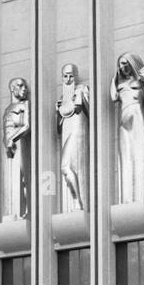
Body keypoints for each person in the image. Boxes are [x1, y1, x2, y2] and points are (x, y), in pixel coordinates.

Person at [109, 52, 144, 203]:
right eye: (120, 64)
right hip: (123, 120)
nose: (123, 67)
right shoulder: (120, 83)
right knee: (125, 159)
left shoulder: (140, 81)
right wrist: (114, 78)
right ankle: (126, 198)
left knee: (138, 155)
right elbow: (113, 97)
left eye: (126, 63)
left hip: (137, 115)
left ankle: (140, 196)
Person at [56, 62, 90, 211]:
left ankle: (78, 202)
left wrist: (81, 98)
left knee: (66, 166)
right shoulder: (63, 98)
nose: (68, 79)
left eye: (71, 76)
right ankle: (74, 201)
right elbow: (58, 127)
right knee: (66, 168)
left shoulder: (81, 89)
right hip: (66, 132)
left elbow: (89, 111)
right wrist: (58, 111)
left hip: (77, 131)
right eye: (65, 76)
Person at [1, 77, 30, 219]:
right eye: (20, 86)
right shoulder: (8, 109)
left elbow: (26, 126)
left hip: (18, 143)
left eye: (25, 86)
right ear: (12, 88)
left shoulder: (25, 106)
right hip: (9, 148)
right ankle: (11, 213)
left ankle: (23, 213)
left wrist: (12, 139)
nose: (24, 89)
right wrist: (7, 140)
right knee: (10, 181)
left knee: (21, 177)